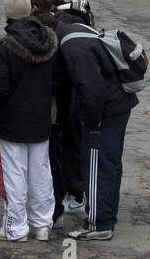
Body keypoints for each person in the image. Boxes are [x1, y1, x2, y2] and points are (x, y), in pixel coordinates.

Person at [55, 15, 138, 241]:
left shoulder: (72, 47)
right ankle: (107, 217)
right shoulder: (77, 30)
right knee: (110, 164)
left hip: (105, 111)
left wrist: (91, 122)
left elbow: (92, 89)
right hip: (119, 105)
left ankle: (98, 223)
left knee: (96, 165)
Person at [0, 0, 57, 242]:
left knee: (13, 174)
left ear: (7, 14)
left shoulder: (6, 47)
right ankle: (42, 224)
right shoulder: (48, 42)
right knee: (40, 172)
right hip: (40, 119)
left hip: (10, 122)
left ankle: (15, 227)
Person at [29, 0, 86, 223]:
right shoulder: (62, 26)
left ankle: (54, 208)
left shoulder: (46, 34)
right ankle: (62, 201)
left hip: (55, 109)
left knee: (51, 158)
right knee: (60, 154)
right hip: (66, 106)